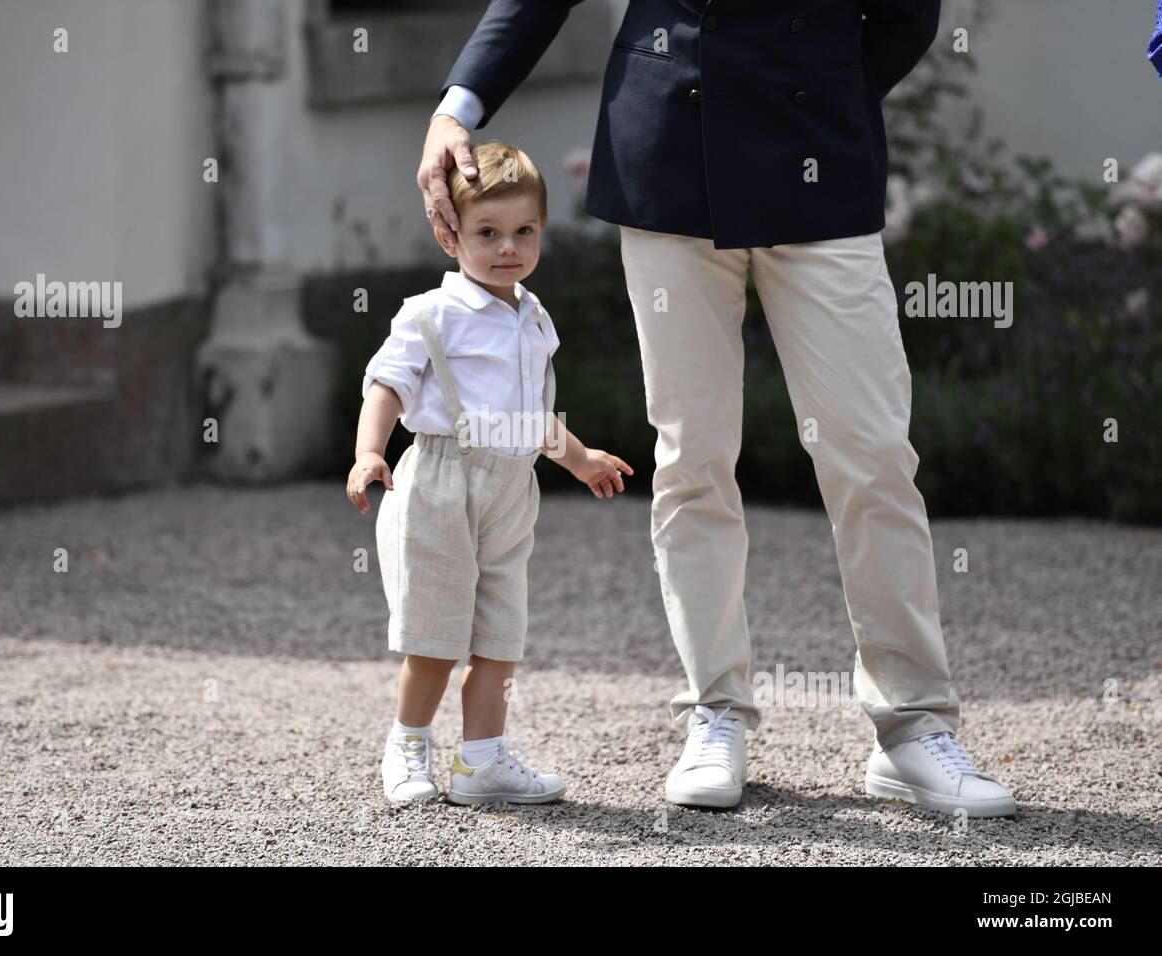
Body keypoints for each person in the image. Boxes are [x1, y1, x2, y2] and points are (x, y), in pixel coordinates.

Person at [417, 0, 1017, 817]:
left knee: (871, 452)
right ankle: (716, 712)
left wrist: (812, 89)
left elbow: (908, 14)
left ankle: (913, 728)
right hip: (671, 159)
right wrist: (459, 105)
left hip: (820, 166)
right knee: (692, 454)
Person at [348, 140, 634, 805]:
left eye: (524, 231)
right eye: (488, 232)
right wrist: (370, 452)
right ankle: (408, 746)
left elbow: (530, 415)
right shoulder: (431, 315)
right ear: (452, 236)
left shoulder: (533, 316)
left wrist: (580, 457)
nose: (509, 247)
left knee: (502, 635)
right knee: (435, 636)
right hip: (442, 485)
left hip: (512, 487)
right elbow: (385, 386)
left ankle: (481, 761)